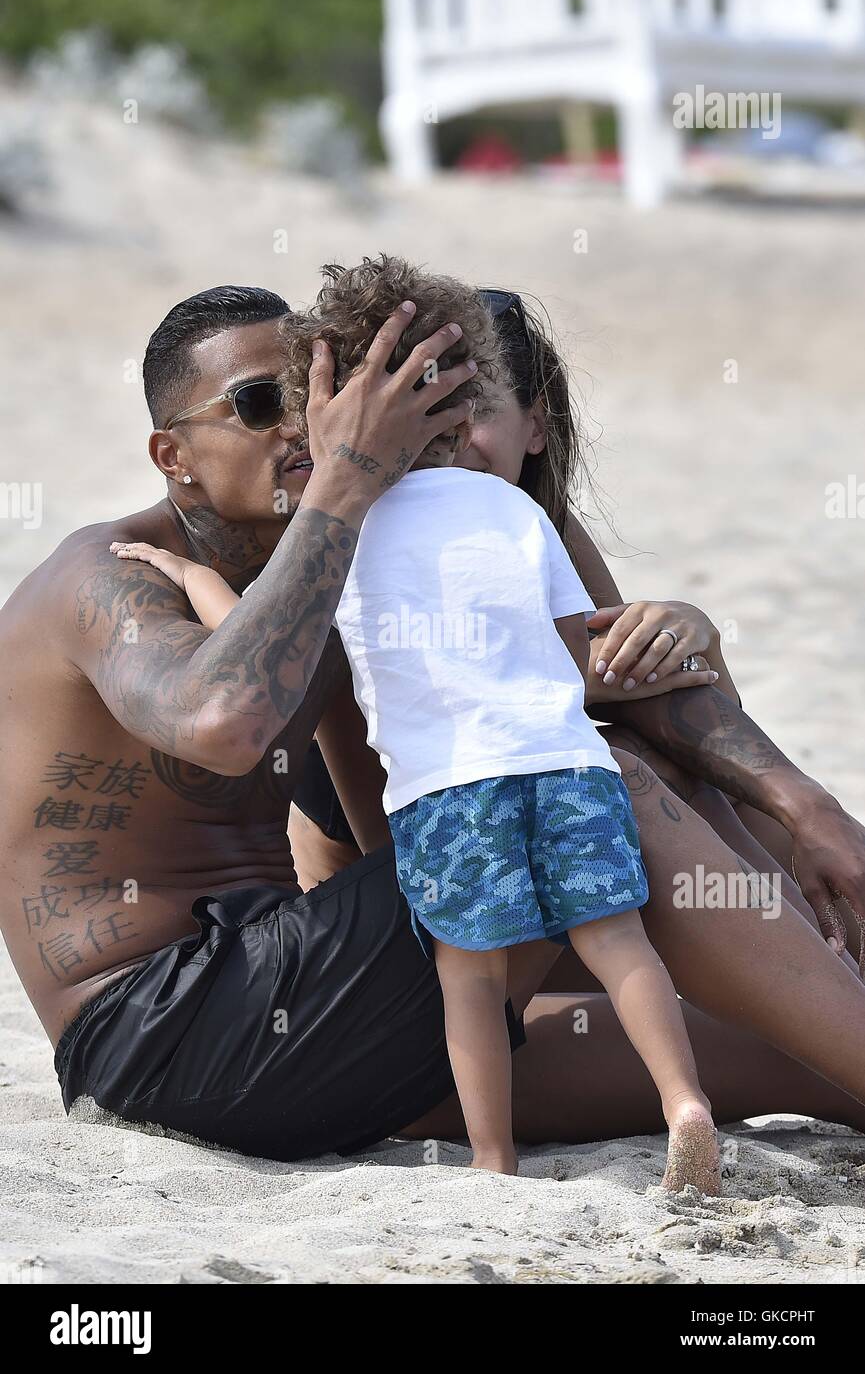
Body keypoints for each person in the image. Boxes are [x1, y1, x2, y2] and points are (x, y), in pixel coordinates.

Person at [3, 280, 865, 1166]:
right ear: (171, 453)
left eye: (315, 392)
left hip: (318, 1018)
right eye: (262, 405)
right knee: (601, 786)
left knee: (788, 1052)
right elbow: (224, 722)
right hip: (159, 1033)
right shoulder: (107, 575)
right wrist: (344, 484)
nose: (302, 428)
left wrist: (800, 799)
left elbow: (479, 769)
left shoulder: (346, 550)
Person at [112, 258, 721, 1191]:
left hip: (448, 793)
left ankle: (492, 1156)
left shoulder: (345, 521)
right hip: (567, 768)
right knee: (616, 937)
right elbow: (571, 653)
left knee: (467, 980)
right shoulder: (516, 509)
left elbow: (260, 632)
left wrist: (190, 577)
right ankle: (684, 1100)